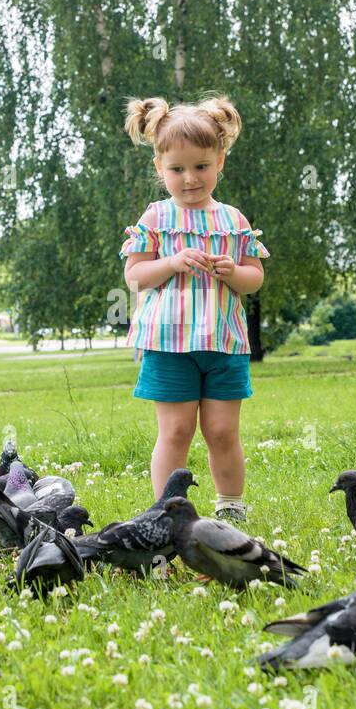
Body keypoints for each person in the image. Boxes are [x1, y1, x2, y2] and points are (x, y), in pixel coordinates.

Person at [118, 94, 268, 521]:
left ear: (220, 161)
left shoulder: (233, 220)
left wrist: (232, 272)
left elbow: (254, 277)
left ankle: (231, 509)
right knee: (176, 431)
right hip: (169, 344)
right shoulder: (156, 218)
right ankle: (166, 513)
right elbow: (135, 276)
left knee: (222, 430)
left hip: (223, 342)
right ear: (159, 168)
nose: (190, 179)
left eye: (201, 166)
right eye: (177, 169)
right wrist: (171, 262)